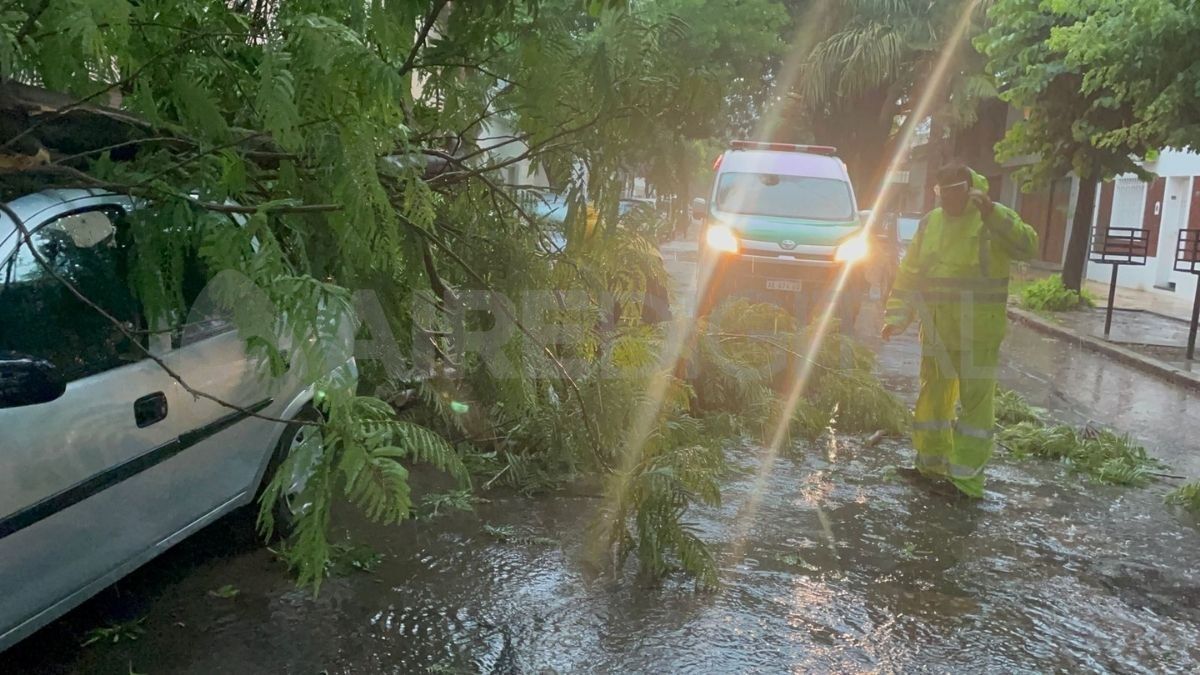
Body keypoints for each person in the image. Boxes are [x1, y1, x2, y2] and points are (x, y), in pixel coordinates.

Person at [879, 162, 1038, 498]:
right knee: (933, 397)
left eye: (954, 194)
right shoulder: (931, 223)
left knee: (974, 405)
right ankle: (930, 466)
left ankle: (965, 483)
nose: (947, 202)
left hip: (978, 330)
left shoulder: (991, 218)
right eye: (942, 194)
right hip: (937, 326)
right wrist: (896, 316)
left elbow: (1027, 246)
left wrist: (993, 214)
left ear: (969, 189)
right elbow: (910, 273)